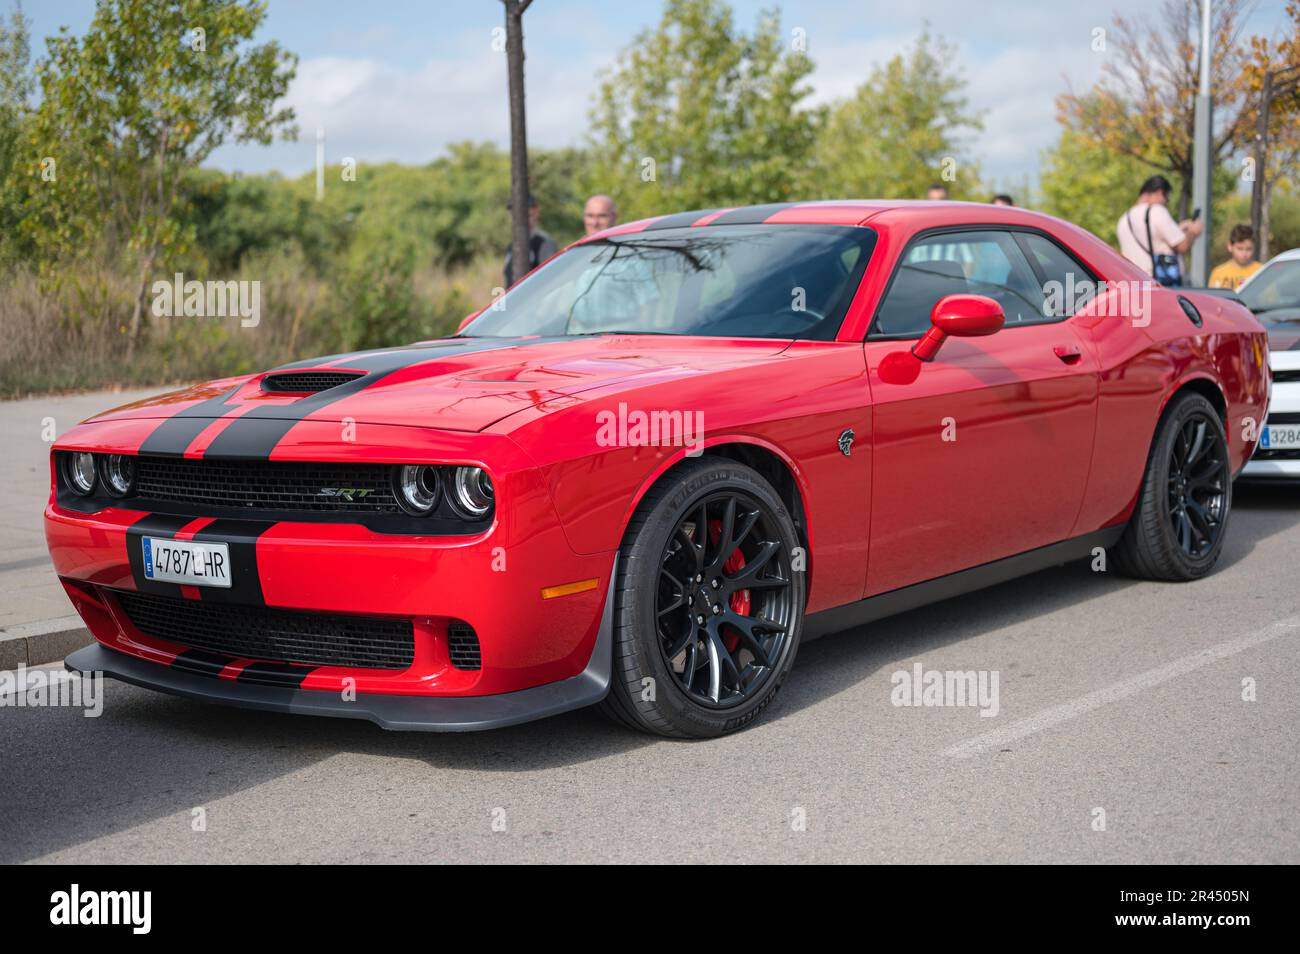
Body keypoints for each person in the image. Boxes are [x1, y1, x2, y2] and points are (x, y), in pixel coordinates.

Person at [1116, 175, 1202, 286]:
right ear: (1159, 193)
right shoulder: (1156, 211)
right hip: (1157, 283)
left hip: (1132, 282)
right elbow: (1182, 245)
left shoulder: (1123, 219)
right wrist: (1193, 231)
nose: (1165, 202)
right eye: (1167, 198)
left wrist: (1180, 228)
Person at [503, 194, 556, 287]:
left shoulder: (543, 242)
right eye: (514, 210)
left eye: (527, 209)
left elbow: (550, 280)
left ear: (536, 211)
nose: (520, 213)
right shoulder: (511, 246)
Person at [1208, 224, 1264, 291]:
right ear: (1230, 246)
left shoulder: (1262, 271)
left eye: (1249, 249)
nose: (1244, 254)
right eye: (1240, 249)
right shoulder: (1218, 273)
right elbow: (1212, 299)